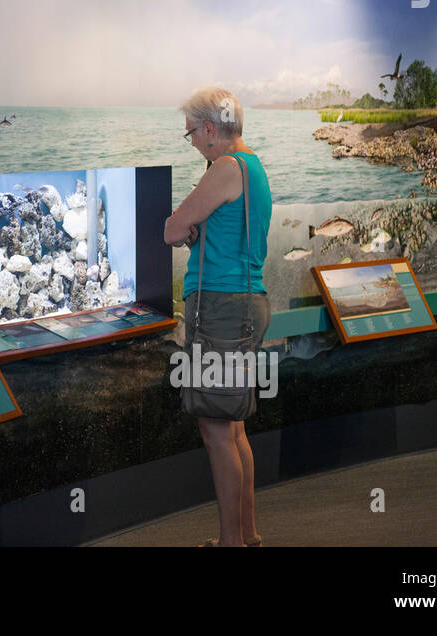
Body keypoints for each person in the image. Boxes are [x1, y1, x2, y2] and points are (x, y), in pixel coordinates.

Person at [163, 87, 272, 547]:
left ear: (210, 129)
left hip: (221, 311)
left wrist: (188, 227)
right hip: (248, 304)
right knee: (234, 427)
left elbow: (171, 229)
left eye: (190, 133)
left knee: (215, 432)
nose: (190, 142)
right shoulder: (254, 167)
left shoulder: (225, 168)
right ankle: (246, 537)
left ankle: (231, 544)